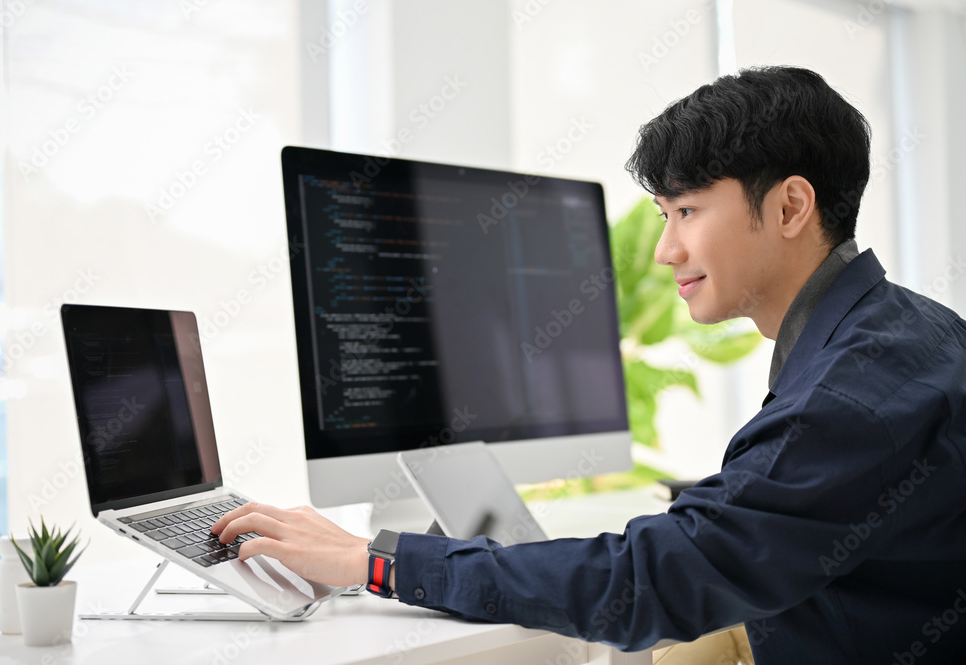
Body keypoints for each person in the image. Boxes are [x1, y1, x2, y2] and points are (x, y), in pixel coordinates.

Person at [212, 66, 966, 662]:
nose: (667, 250)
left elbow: (653, 583)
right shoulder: (905, 332)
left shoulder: (852, 393)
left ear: (792, 207)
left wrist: (374, 562)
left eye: (689, 212)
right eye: (664, 217)